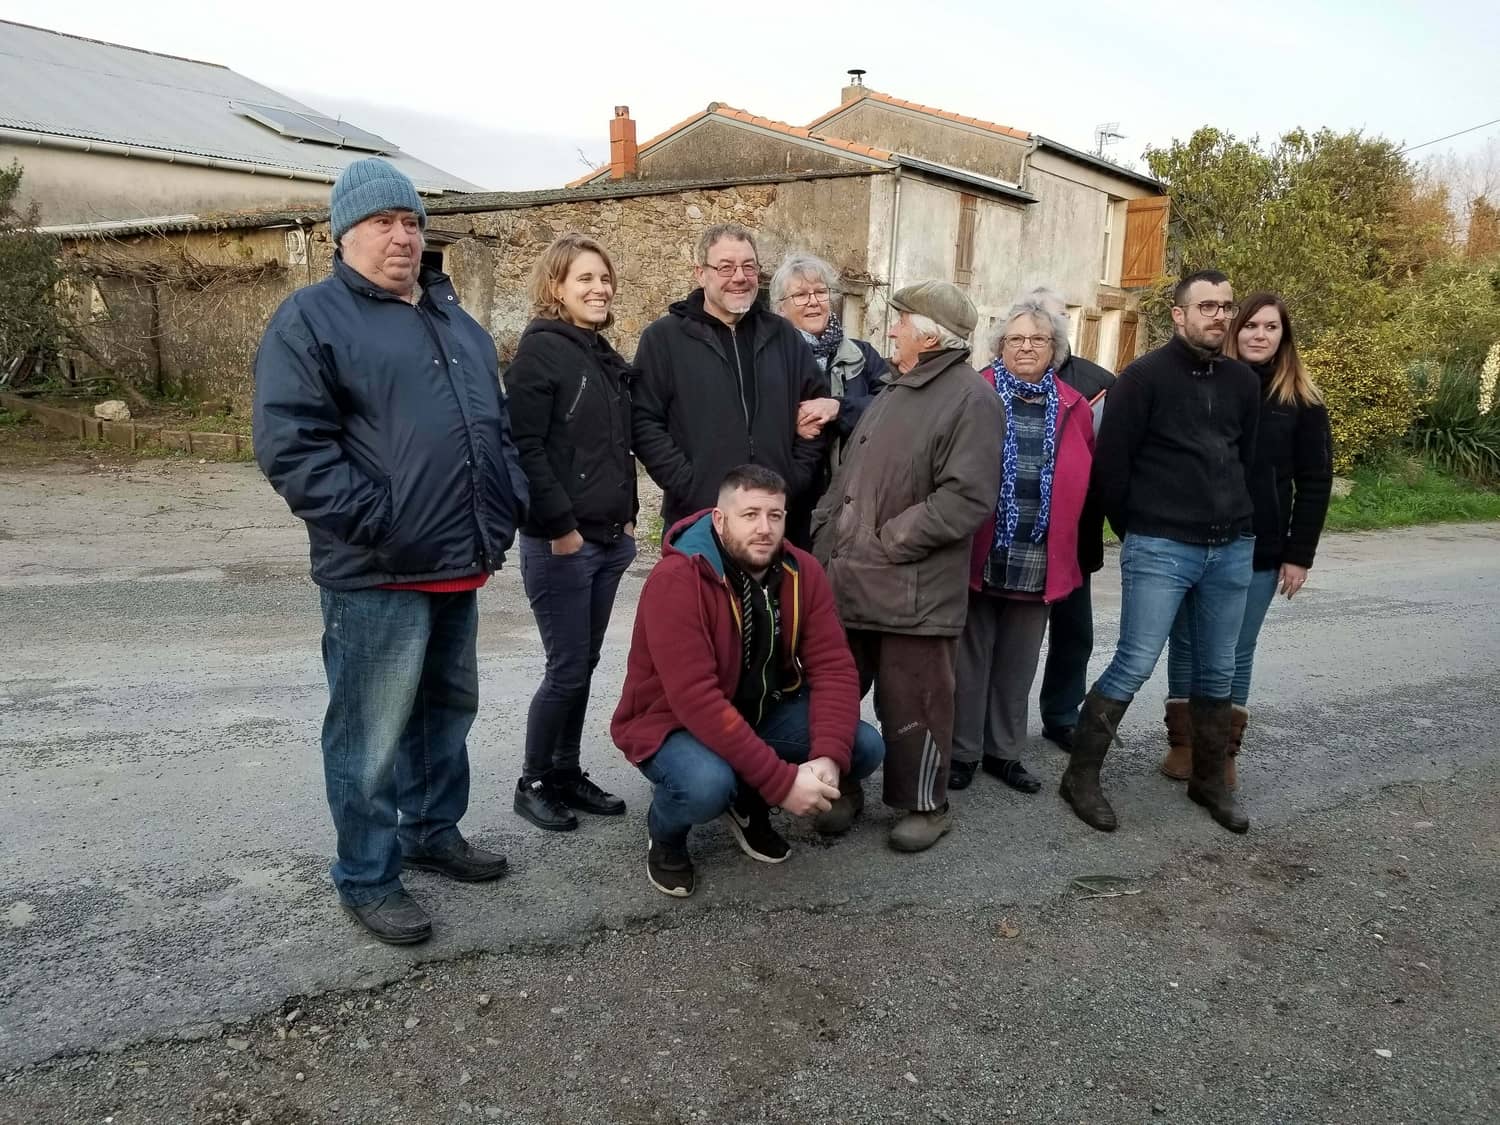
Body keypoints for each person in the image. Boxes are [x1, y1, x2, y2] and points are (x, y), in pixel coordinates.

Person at [253, 158, 528, 944]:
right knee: (369, 735)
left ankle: (431, 831)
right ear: (344, 234)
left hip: (457, 562)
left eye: (411, 221)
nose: (402, 235)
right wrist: (381, 520)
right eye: (382, 222)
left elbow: (498, 430)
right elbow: (291, 446)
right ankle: (368, 875)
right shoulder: (311, 320)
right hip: (376, 570)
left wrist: (504, 503)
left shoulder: (457, 322)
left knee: (445, 712)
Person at [611, 465, 884, 898]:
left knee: (863, 746)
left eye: (775, 515)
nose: (764, 528)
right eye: (750, 514)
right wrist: (783, 784)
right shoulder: (677, 580)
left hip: (760, 710)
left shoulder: (802, 571)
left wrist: (828, 757)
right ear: (720, 520)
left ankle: (746, 799)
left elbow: (833, 666)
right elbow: (696, 700)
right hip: (673, 722)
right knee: (706, 786)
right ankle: (665, 835)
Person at [1064, 269, 1260, 836]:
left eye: (1226, 306)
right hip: (1161, 547)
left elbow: (1246, 459)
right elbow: (1111, 468)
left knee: (1219, 667)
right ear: (1179, 315)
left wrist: (1244, 525)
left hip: (1230, 548)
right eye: (1206, 306)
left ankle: (1208, 780)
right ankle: (1080, 778)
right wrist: (1141, 533)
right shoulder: (1143, 378)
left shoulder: (1243, 382)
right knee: (1136, 661)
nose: (1219, 316)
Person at [812, 282, 1003, 852]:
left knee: (915, 702)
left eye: (901, 322)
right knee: (837, 694)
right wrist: (826, 532)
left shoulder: (970, 399)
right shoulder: (899, 386)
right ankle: (841, 788)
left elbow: (966, 498)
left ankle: (925, 804)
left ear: (930, 337)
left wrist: (888, 540)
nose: (891, 331)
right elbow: (853, 477)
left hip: (913, 590)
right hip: (852, 578)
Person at [1159, 292, 1332, 787]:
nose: (1260, 335)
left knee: (1235, 647)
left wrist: (1299, 555)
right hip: (1194, 537)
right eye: (1251, 325)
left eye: (1271, 327)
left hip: (1260, 545)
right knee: (1186, 641)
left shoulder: (1302, 402)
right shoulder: (1208, 386)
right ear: (1235, 332)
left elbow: (1315, 482)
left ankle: (1221, 751)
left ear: (1284, 337)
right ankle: (1184, 743)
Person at [505, 234, 637, 832]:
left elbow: (615, 446)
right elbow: (524, 446)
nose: (599, 288)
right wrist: (560, 527)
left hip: (607, 538)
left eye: (604, 278)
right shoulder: (541, 353)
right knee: (566, 667)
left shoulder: (601, 355)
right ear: (556, 287)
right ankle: (533, 781)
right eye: (585, 278)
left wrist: (627, 515)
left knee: (583, 662)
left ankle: (565, 770)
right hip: (563, 543)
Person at [951, 295, 1095, 794]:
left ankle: (1004, 753)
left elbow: (1087, 474)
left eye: (1038, 339)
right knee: (969, 658)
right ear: (1000, 346)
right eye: (1016, 338)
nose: (1027, 347)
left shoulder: (1074, 406)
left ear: (1055, 348)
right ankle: (962, 751)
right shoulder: (976, 393)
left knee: (1018, 663)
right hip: (981, 549)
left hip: (1039, 556)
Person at [632, 224, 829, 544]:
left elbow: (815, 410)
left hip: (775, 521)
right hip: (698, 519)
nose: (739, 277)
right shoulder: (663, 339)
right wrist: (690, 484)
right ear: (700, 273)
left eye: (748, 266)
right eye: (725, 267)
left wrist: (792, 480)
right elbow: (643, 421)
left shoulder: (784, 336)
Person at [1023, 289, 1117, 753]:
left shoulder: (1099, 384)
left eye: (1056, 318)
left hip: (1076, 534)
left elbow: (1114, 460)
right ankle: (991, 725)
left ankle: (1062, 714)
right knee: (1005, 638)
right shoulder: (998, 377)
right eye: (1036, 318)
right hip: (1014, 536)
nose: (1047, 327)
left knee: (1073, 633)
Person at [770, 252, 889, 545]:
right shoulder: (768, 358)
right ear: (781, 307)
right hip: (788, 500)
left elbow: (894, 407)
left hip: (852, 502)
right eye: (800, 295)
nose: (813, 301)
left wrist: (839, 407)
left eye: (820, 292)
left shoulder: (863, 355)